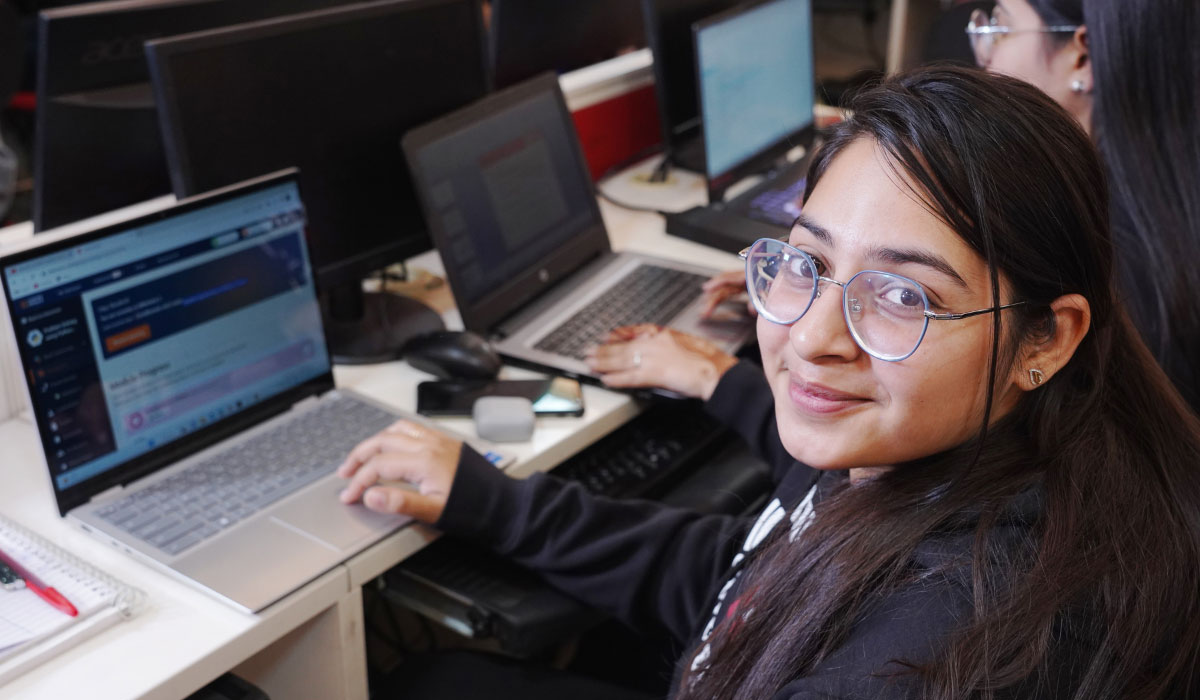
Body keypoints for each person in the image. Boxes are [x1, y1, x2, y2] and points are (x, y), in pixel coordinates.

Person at [337, 66, 1200, 698]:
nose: (813, 339)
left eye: (903, 296)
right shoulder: (918, 455)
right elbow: (747, 577)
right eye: (806, 263)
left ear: (1047, 338)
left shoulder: (924, 655)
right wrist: (492, 504)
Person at [966, 0, 1200, 409]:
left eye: (1000, 28)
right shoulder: (1166, 224)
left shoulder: (1094, 259)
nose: (985, 58)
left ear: (1083, 57)